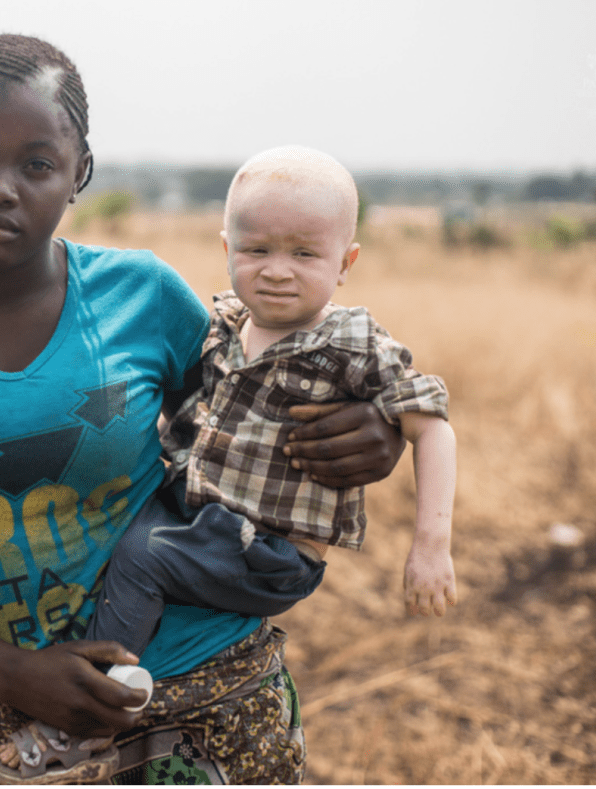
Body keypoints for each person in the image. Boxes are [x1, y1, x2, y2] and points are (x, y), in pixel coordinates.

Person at [0, 35, 403, 785]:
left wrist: (376, 432)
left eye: (36, 164)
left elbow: (265, 409)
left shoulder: (142, 296)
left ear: (80, 173)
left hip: (209, 698)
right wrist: (17, 675)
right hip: (23, 729)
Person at [87, 146, 458, 669]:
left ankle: (89, 703)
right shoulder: (224, 324)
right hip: (202, 518)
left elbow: (434, 430)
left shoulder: (352, 343)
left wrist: (431, 546)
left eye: (304, 255)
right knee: (109, 528)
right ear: (227, 249)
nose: (277, 272)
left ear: (346, 262)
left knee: (140, 559)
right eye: (256, 251)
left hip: (270, 552)